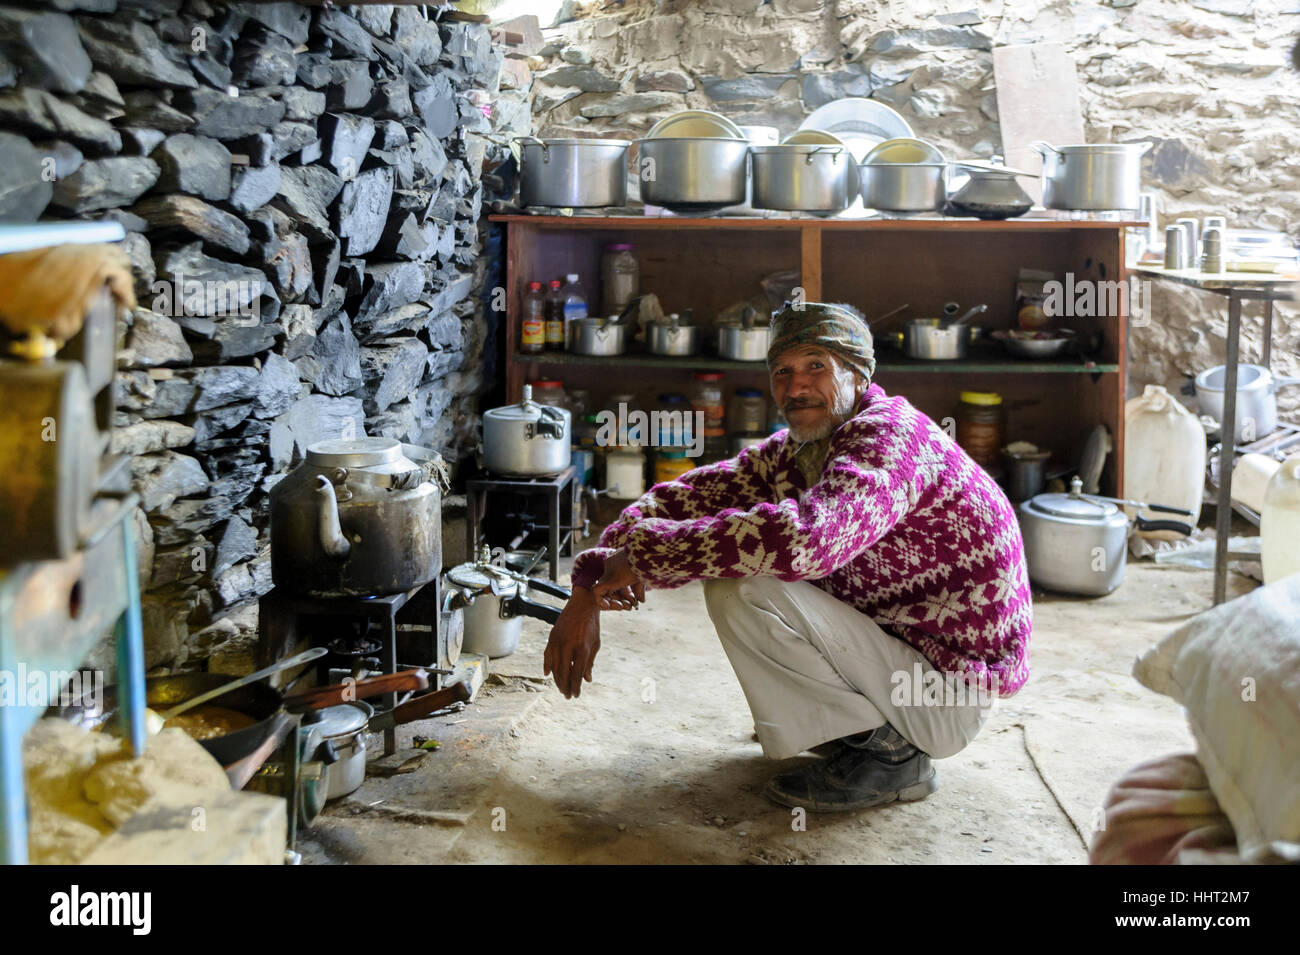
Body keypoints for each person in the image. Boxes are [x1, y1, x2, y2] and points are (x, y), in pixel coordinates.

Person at [543, 301, 1032, 812]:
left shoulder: (892, 439)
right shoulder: (799, 450)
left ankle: (892, 757)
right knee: (745, 574)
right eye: (783, 372)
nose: (796, 387)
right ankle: (854, 736)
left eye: (816, 366)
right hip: (902, 663)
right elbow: (679, 498)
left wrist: (644, 557)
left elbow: (807, 542)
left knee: (746, 586)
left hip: (945, 693)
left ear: (858, 374)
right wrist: (589, 584)